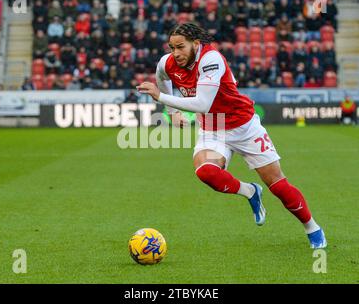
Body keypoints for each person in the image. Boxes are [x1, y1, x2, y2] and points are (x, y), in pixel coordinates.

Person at [136, 23, 327, 249]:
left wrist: (162, 99)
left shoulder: (211, 60)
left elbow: (203, 103)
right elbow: (162, 77)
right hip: (212, 128)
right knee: (206, 172)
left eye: (181, 47)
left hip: (243, 125)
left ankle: (312, 227)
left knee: (278, 185)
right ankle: (250, 191)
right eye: (172, 47)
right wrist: (173, 112)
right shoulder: (166, 63)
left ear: (196, 44)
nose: (175, 53)